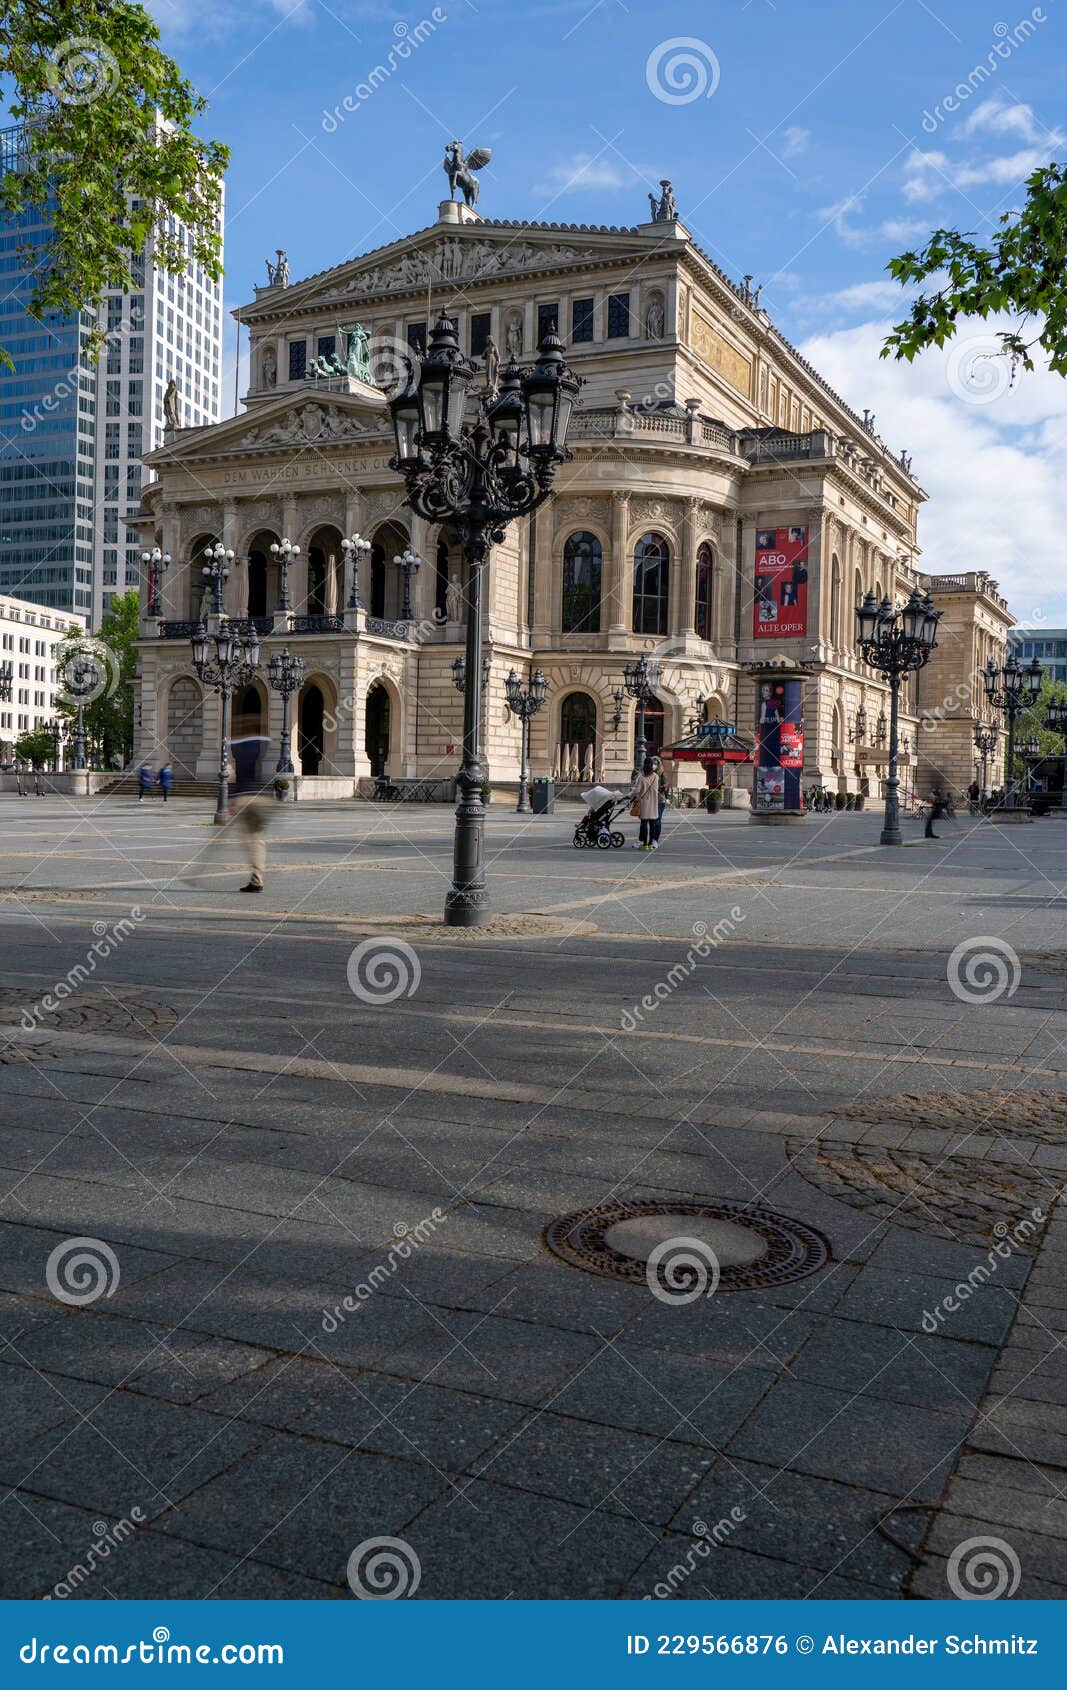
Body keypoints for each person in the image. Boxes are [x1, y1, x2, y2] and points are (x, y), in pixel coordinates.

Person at [230, 732, 272, 891]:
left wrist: (234, 799)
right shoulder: (260, 743)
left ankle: (257, 881)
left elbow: (241, 774)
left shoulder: (242, 746)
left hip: (247, 797)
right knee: (257, 840)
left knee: (253, 841)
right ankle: (257, 878)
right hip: (260, 797)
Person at [629, 756, 660, 851]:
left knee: (644, 824)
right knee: (652, 824)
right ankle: (651, 843)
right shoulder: (656, 777)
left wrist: (631, 793)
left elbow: (637, 790)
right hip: (654, 803)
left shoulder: (641, 777)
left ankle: (645, 843)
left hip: (644, 803)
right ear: (651, 765)